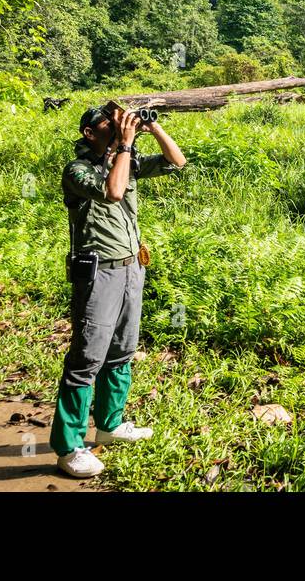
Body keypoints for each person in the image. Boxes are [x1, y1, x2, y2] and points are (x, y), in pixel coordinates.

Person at [49, 104, 187, 478]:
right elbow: (111, 192)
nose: (116, 128)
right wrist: (125, 145)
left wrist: (152, 127)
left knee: (122, 351)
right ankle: (69, 447)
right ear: (89, 134)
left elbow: (178, 161)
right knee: (86, 360)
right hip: (98, 274)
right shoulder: (77, 170)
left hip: (132, 268)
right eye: (107, 125)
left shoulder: (127, 159)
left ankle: (110, 426)